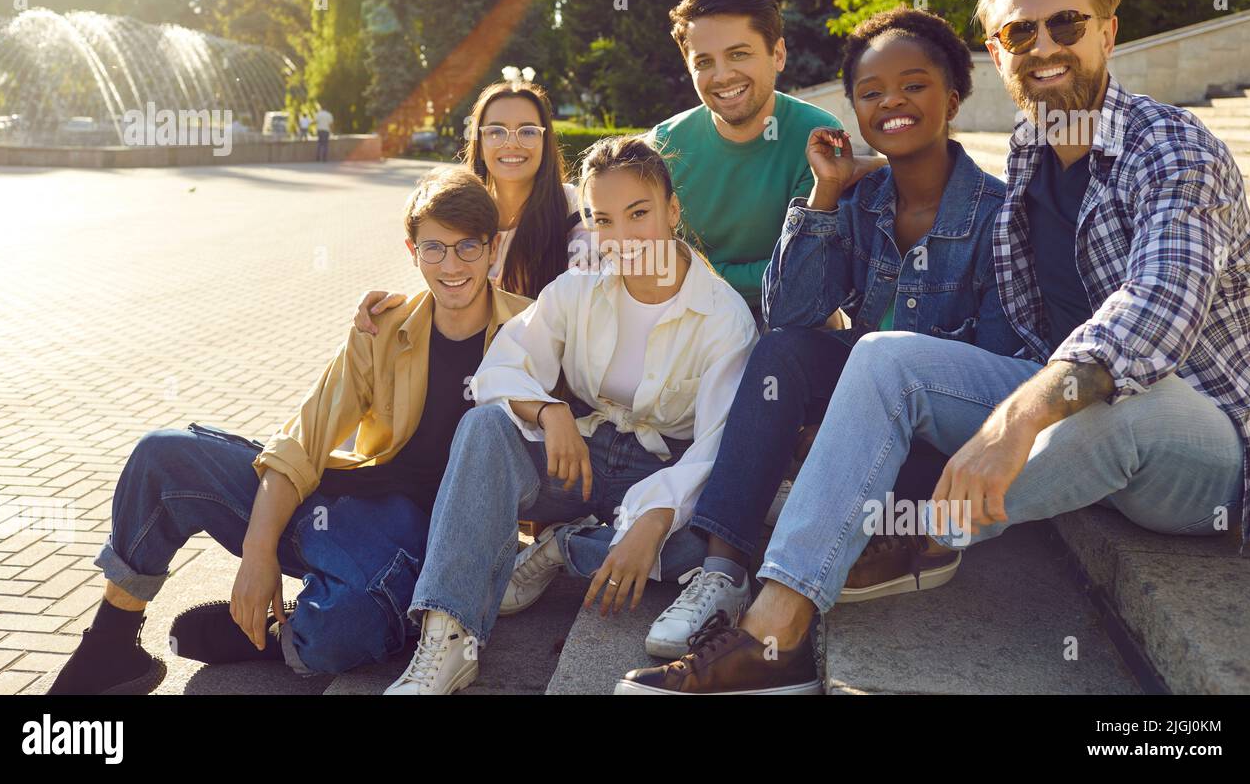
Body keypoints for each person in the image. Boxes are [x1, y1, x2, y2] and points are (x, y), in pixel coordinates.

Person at [617, 0, 1250, 695]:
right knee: (882, 354)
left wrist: (1016, 420)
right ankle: (774, 636)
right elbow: (804, 316)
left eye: (1066, 23)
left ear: (1108, 32)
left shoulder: (1171, 146)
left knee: (1127, 400)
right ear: (997, 52)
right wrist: (845, 191)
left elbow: (1158, 311)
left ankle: (915, 533)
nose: (1045, 46)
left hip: (1203, 445)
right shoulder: (1033, 153)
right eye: (1019, 33)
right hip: (1069, 410)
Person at [46, 168, 531, 694]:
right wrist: (259, 555)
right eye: (435, 248)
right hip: (341, 503)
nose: (452, 265)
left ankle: (276, 632)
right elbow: (304, 438)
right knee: (162, 456)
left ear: (493, 247)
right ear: (412, 250)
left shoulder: (532, 333)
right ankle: (111, 643)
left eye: (468, 247)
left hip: (419, 547)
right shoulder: (383, 327)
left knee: (342, 629)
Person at [635, 8, 1025, 661]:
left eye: (914, 86)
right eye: (871, 93)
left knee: (882, 422)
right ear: (854, 110)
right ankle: (723, 569)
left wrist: (856, 428)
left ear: (954, 97)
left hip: (946, 440)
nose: (891, 102)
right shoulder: (859, 201)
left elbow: (990, 381)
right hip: (866, 402)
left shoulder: (999, 214)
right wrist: (821, 195)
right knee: (780, 352)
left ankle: (867, 526)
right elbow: (790, 314)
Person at [383, 135, 758, 694]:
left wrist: (652, 519)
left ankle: (563, 546)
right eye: (603, 219)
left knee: (698, 551)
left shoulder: (721, 316)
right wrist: (550, 411)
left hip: (662, 471)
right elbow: (497, 370)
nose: (623, 237)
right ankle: (448, 637)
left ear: (673, 210)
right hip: (579, 459)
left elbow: (716, 447)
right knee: (484, 427)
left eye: (639, 214)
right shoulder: (576, 291)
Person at [656, 0, 885, 321]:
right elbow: (654, 263)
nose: (722, 76)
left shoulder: (818, 136)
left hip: (791, 322)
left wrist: (696, 270)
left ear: (777, 54)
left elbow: (804, 273)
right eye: (703, 62)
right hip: (687, 320)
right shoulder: (662, 147)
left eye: (738, 54)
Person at [353, 80, 586, 331]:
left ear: (545, 141)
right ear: (480, 142)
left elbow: (596, 301)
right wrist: (397, 307)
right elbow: (447, 286)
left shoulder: (575, 210)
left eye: (527, 131)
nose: (511, 143)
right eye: (496, 131)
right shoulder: (463, 209)